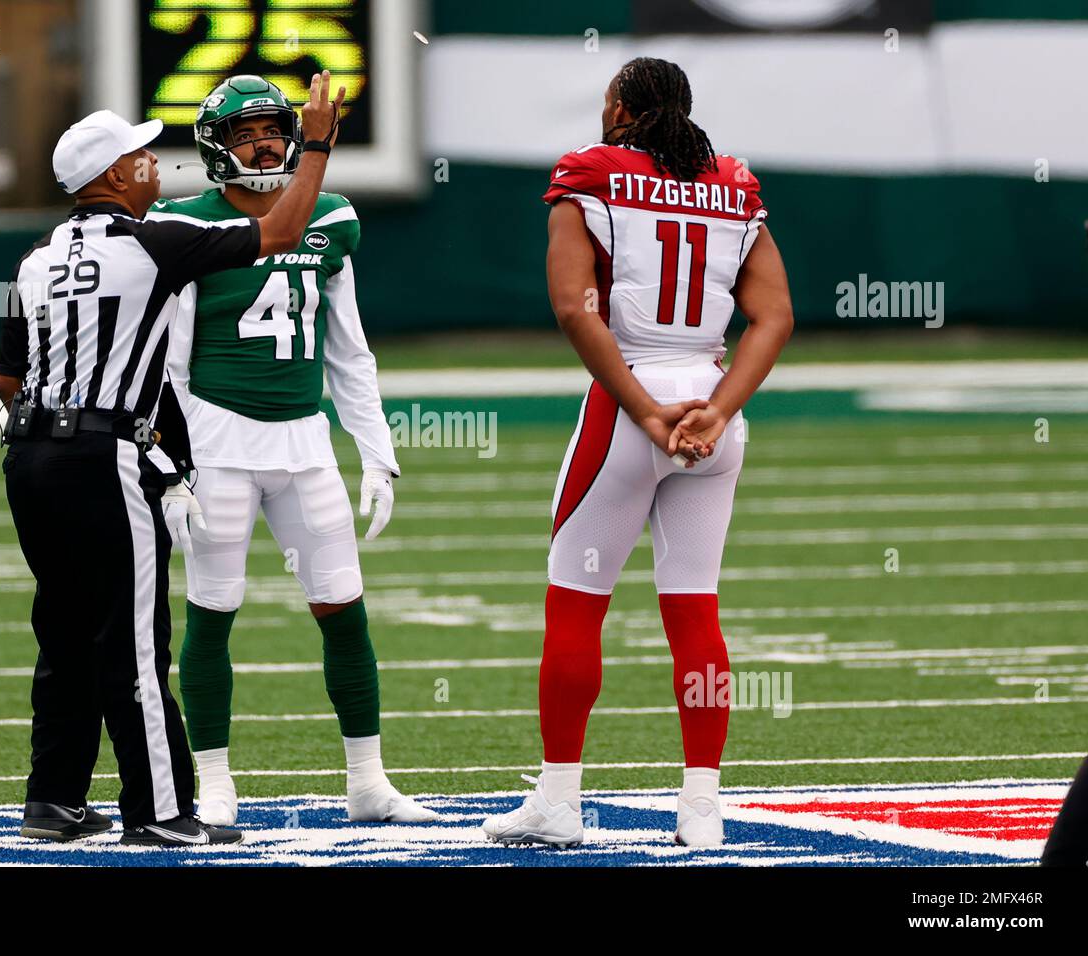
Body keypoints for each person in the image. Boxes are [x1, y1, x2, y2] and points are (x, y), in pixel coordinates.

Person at [0, 72, 344, 846]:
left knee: (64, 631)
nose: (157, 165)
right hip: (100, 458)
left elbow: (8, 378)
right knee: (134, 642)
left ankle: (52, 801)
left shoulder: (36, 261)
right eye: (142, 157)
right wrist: (315, 143)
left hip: (29, 458)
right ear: (112, 177)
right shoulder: (153, 241)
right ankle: (158, 811)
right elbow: (281, 233)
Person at [482, 57, 793, 848]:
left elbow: (573, 307)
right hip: (712, 406)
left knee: (575, 601)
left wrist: (649, 412)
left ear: (620, 107)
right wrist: (716, 411)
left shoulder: (591, 174)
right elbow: (775, 315)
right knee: (695, 606)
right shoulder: (733, 183)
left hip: (633, 403)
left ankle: (558, 800)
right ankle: (702, 808)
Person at [149, 75, 436, 825]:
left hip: (306, 440)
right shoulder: (186, 221)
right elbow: (169, 362)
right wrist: (173, 464)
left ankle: (368, 781)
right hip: (216, 438)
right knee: (212, 611)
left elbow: (351, 353)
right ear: (215, 148)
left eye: (274, 129)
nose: (264, 143)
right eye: (244, 134)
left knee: (344, 610)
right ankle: (213, 781)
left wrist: (377, 453)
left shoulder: (331, 217)